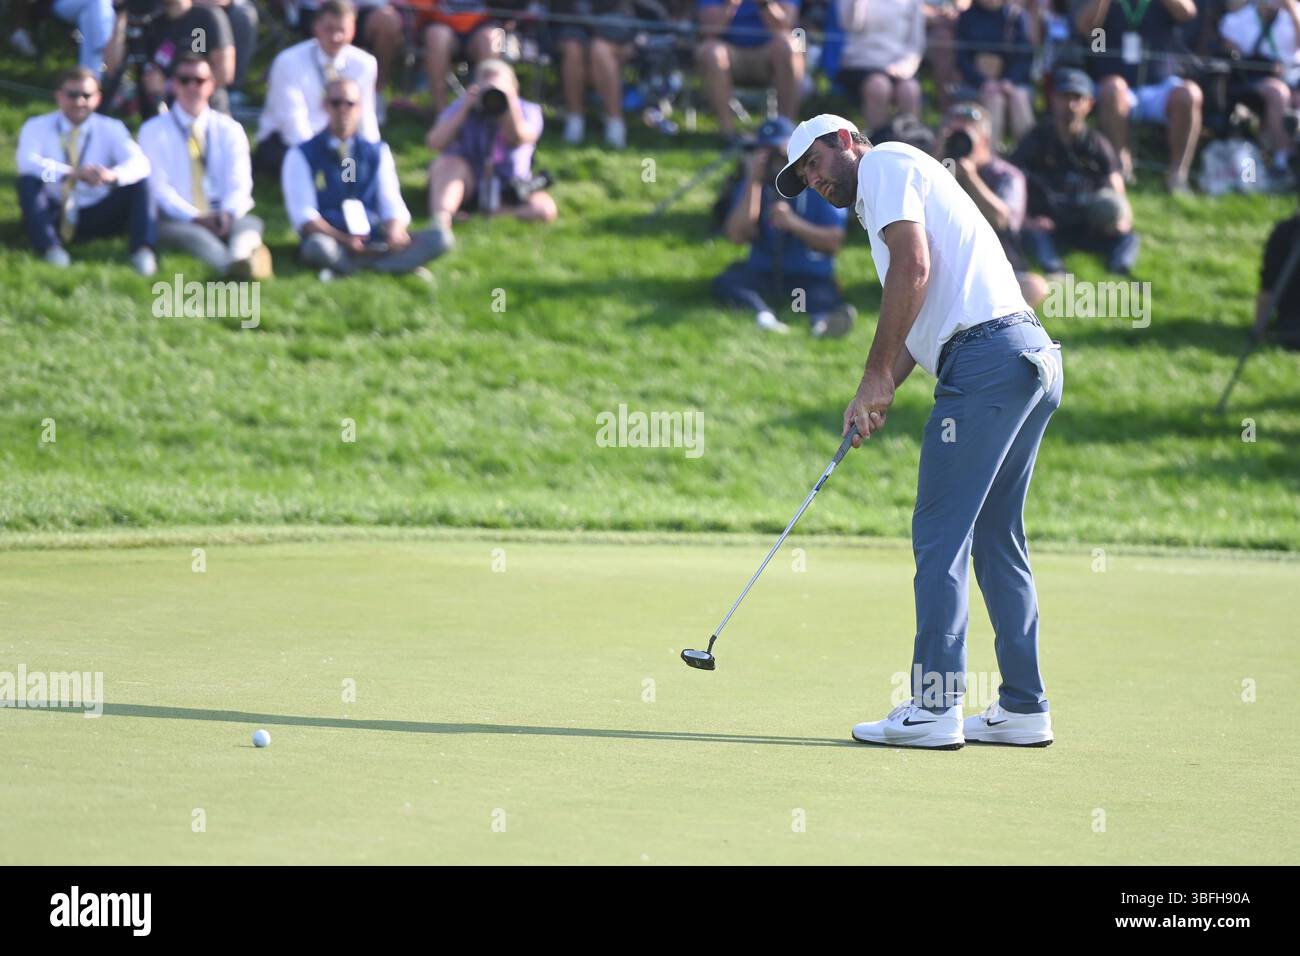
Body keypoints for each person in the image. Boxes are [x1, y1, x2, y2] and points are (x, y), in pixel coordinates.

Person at [775, 113, 1062, 749]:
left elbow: (914, 268)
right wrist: (883, 389)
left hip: (986, 361)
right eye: (802, 178)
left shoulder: (886, 163)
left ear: (846, 140)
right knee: (994, 536)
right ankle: (1022, 706)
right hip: (1025, 358)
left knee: (941, 535)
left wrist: (874, 375)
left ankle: (934, 709)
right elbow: (921, 307)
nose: (814, 180)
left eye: (816, 163)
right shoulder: (887, 192)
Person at [283, 78, 452, 277]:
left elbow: (391, 201)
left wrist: (395, 230)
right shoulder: (301, 154)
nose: (343, 109)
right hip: (332, 239)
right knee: (317, 247)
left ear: (360, 108)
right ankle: (390, 267)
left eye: (350, 103)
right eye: (336, 103)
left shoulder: (377, 152)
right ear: (325, 106)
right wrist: (345, 239)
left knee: (441, 238)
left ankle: (352, 269)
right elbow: (304, 216)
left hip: (375, 238)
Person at [714, 117, 856, 336]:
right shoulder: (753, 184)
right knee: (729, 282)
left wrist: (794, 224)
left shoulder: (816, 181)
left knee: (823, 295)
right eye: (766, 151)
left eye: (780, 151)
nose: (775, 159)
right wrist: (753, 182)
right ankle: (764, 317)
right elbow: (736, 236)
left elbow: (834, 241)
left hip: (808, 277)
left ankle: (821, 325)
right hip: (764, 273)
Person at [138, 53, 271, 278]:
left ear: (211, 85)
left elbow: (240, 182)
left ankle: (241, 257)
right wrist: (195, 218)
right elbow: (158, 189)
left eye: (199, 81)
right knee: (196, 237)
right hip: (179, 219)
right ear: (173, 85)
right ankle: (233, 265)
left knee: (249, 225)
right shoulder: (152, 130)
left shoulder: (230, 129)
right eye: (184, 80)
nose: (192, 87)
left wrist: (227, 214)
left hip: (225, 215)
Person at [15, 66, 156, 275]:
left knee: (142, 183)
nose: (79, 101)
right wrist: (70, 173)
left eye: (86, 95)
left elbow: (140, 163)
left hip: (97, 209)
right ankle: (50, 248)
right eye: (72, 95)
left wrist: (112, 176)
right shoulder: (37, 126)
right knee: (27, 181)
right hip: (54, 211)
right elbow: (27, 163)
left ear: (97, 98)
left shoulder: (111, 127)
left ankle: (142, 250)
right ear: (59, 96)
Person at [1011, 68, 1141, 274]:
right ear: (1053, 99)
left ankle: (1119, 270)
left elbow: (1116, 183)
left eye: (1077, 98)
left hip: (1087, 221)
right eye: (1064, 97)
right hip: (1048, 222)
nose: (1070, 105)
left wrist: (1121, 219)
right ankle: (1054, 269)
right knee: (1035, 235)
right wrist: (1027, 219)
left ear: (1089, 104)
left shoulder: (1097, 143)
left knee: (1129, 237)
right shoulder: (1036, 138)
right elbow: (1013, 181)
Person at [1074, 0, 1203, 191]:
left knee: (1190, 94)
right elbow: (1087, 29)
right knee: (1113, 89)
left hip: (1160, 86)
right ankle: (1119, 167)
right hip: (1116, 87)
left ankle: (1177, 175)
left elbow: (1187, 12)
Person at [427, 58, 556, 235]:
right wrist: (465, 107)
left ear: (514, 88)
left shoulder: (529, 110)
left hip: (510, 188)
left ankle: (489, 214)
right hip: (469, 182)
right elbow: (434, 143)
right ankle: (441, 221)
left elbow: (519, 137)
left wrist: (508, 106)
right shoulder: (465, 105)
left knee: (544, 209)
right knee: (448, 163)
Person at [938, 102, 1049, 305]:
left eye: (966, 136)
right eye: (955, 135)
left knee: (1035, 286)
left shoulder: (1007, 175)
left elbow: (1002, 219)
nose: (960, 142)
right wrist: (940, 156)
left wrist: (971, 178)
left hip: (998, 268)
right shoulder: (938, 170)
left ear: (985, 140)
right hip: (950, 268)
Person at [255, 0, 380, 176]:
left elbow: (365, 115)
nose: (336, 37)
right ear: (316, 27)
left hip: (341, 142)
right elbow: (292, 122)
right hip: (287, 142)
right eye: (330, 29)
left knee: (360, 168)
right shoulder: (288, 61)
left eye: (342, 30)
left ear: (353, 30)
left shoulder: (365, 64)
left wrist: (372, 153)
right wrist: (323, 157)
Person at [105, 0, 237, 115]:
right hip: (163, 124)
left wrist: (169, 85)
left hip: (209, 116)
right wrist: (121, 11)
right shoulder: (152, 25)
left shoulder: (207, 17)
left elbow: (224, 75)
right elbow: (111, 65)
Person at [696, 0, 804, 139]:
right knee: (711, 52)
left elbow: (786, 26)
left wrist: (764, 4)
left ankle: (784, 130)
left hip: (769, 55)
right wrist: (731, 4)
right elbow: (709, 30)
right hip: (729, 54)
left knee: (790, 45)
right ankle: (728, 133)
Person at [1219, 0, 1300, 177]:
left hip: (1294, 79)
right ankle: (1282, 161)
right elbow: (1233, 57)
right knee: (1278, 92)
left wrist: (1293, 10)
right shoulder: (1237, 19)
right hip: (1254, 81)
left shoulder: (1294, 15)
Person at [551, 0, 635, 148]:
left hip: (612, 30)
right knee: (573, 50)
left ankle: (616, 123)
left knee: (600, 51)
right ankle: (575, 120)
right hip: (569, 27)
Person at [836, 0, 926, 133]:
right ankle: (879, 143)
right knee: (879, 87)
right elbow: (850, 24)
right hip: (859, 64)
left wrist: (904, 68)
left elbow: (916, 44)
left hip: (899, 68)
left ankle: (910, 143)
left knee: (910, 90)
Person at [956, 0, 1036, 145]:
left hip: (1013, 83)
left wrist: (1010, 81)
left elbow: (1024, 58)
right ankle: (990, 158)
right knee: (995, 99)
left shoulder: (1017, 16)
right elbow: (962, 60)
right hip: (977, 84)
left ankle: (1028, 158)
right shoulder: (967, 17)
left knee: (1019, 98)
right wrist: (983, 82)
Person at [294, 0, 404, 105]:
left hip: (357, 11)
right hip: (315, 9)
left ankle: (374, 94)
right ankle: (316, 95)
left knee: (387, 20)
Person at [415, 1, 505, 116]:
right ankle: (442, 115)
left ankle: (485, 110)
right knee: (437, 36)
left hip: (483, 24)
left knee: (492, 38)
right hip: (440, 21)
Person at [51, 0, 115, 76]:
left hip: (95, 9)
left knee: (87, 17)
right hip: (61, 4)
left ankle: (91, 80)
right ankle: (108, 48)